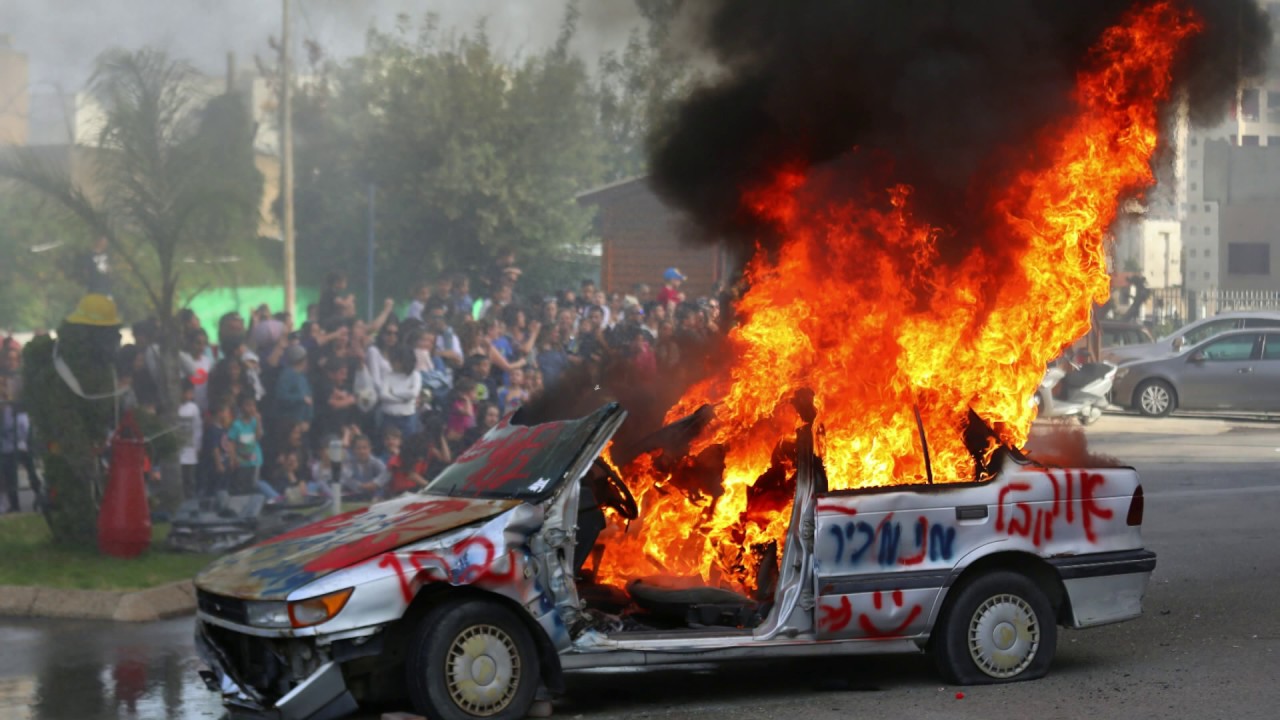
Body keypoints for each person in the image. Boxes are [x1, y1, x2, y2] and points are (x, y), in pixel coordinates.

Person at [229, 393, 274, 498]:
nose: (251, 408)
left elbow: (259, 436)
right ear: (242, 407)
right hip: (241, 460)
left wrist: (258, 421)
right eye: (248, 405)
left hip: (254, 460)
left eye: (253, 405)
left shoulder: (255, 422)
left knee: (253, 485)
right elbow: (231, 442)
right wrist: (233, 458)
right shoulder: (237, 424)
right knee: (241, 486)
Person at [379, 346, 422, 438]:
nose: (392, 364)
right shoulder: (388, 376)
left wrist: (393, 392)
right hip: (389, 417)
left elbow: (413, 393)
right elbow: (383, 395)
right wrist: (403, 398)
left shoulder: (415, 375)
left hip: (407, 417)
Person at [198, 401, 234, 496]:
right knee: (214, 489)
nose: (228, 415)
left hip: (225, 463)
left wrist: (231, 459)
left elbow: (228, 444)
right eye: (227, 412)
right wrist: (218, 464)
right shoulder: (212, 430)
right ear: (220, 413)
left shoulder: (224, 428)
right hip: (214, 466)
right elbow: (215, 448)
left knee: (224, 488)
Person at [274, 345, 313, 425]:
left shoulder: (302, 377)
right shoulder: (286, 375)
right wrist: (301, 398)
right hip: (289, 423)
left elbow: (309, 399)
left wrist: (307, 420)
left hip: (302, 423)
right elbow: (281, 397)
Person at [341, 434, 388, 499]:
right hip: (354, 494)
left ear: (370, 449)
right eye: (358, 448)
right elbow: (346, 478)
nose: (362, 451)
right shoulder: (349, 462)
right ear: (353, 450)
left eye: (364, 448)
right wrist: (361, 486)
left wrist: (375, 483)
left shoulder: (375, 461)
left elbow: (386, 473)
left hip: (373, 493)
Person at [177, 380, 202, 498]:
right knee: (179, 478)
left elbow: (197, 428)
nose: (189, 396)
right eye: (187, 393)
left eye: (191, 393)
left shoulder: (194, 408)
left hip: (190, 449)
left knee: (190, 478)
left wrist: (198, 446)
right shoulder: (175, 407)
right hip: (178, 450)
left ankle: (190, 499)